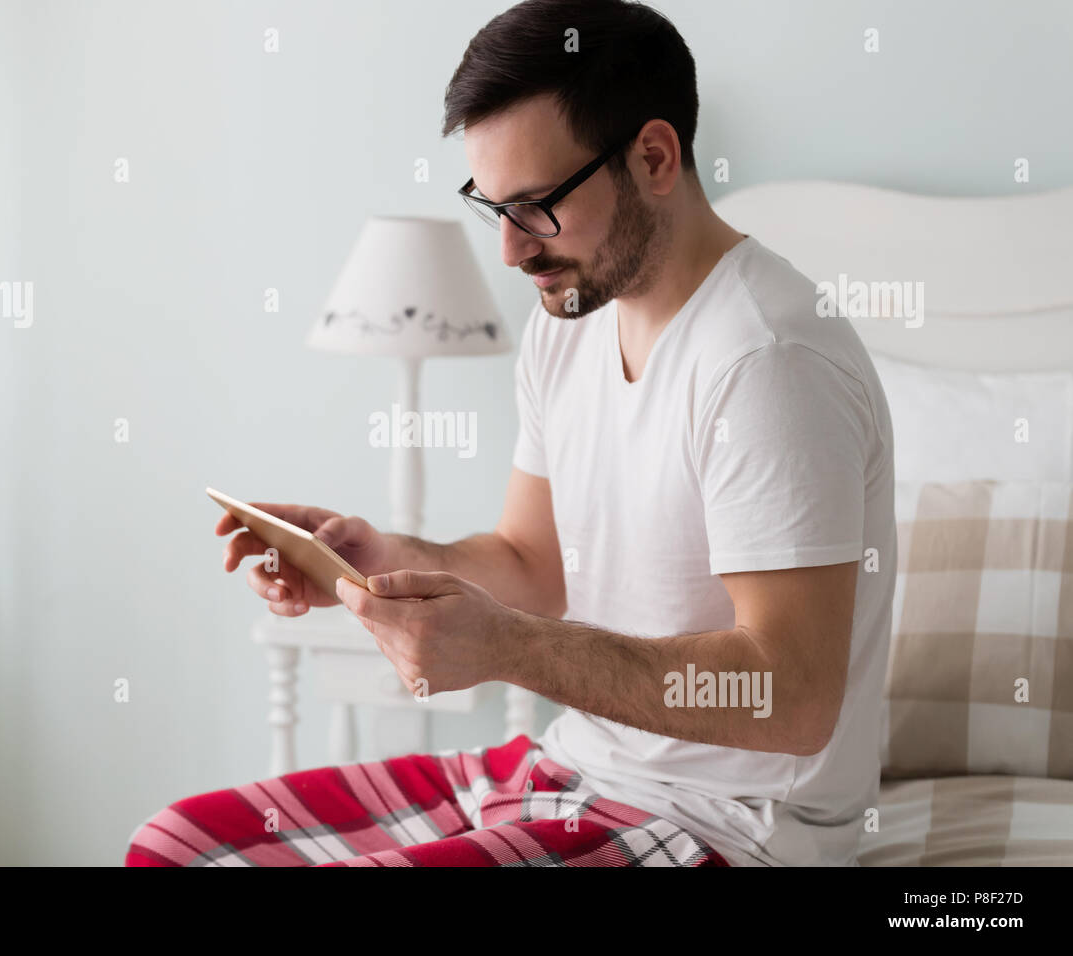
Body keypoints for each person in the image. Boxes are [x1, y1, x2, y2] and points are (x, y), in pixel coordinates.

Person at [126, 0, 895, 868]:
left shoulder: (769, 358)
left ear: (653, 157)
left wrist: (505, 648)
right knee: (176, 846)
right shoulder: (567, 322)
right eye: (491, 207)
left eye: (535, 207)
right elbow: (533, 564)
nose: (508, 251)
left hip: (731, 826)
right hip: (572, 770)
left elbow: (789, 694)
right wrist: (381, 558)